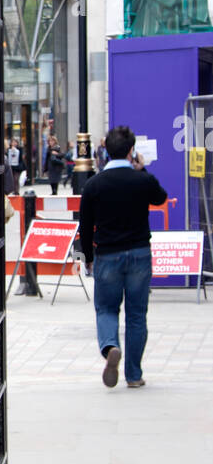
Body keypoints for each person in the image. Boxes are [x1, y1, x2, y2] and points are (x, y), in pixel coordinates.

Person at [79, 125, 168, 389]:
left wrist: (87, 255)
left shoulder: (94, 184)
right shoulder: (142, 180)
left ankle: (110, 347)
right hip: (139, 252)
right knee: (137, 314)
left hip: (107, 254)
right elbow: (160, 197)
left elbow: (85, 224)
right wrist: (143, 170)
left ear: (105, 149)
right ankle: (134, 374)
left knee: (106, 308)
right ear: (132, 151)